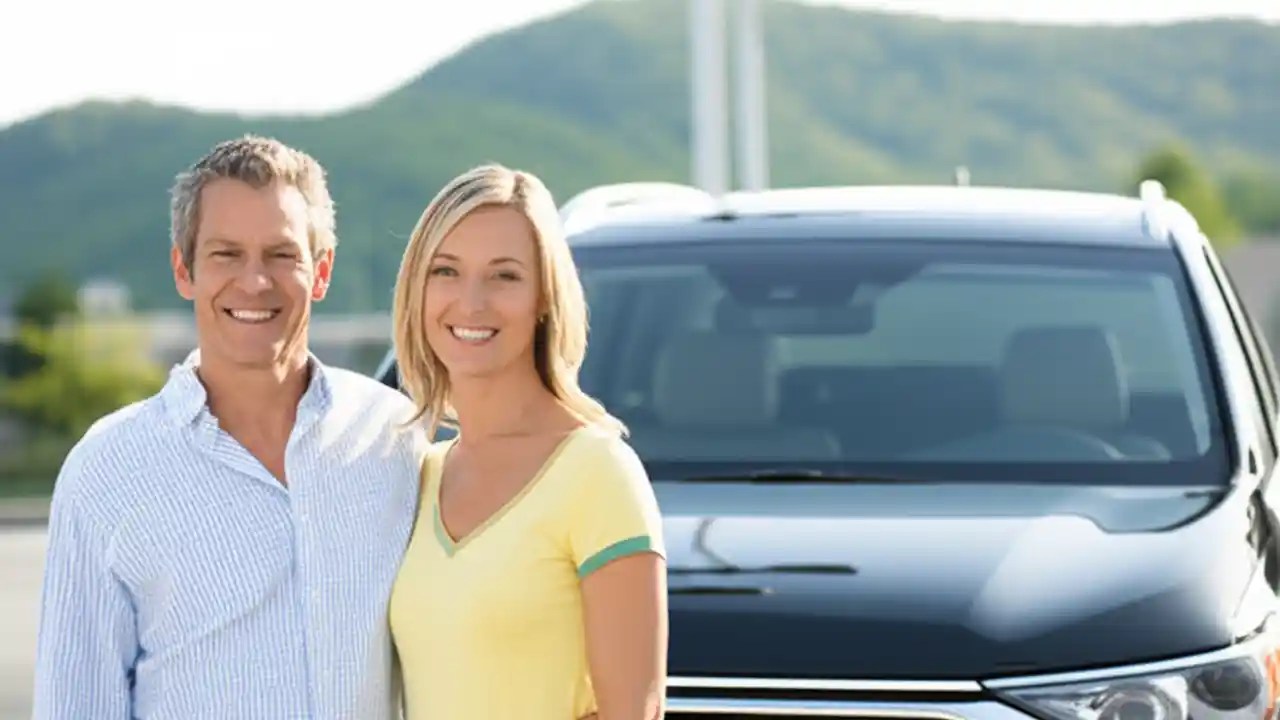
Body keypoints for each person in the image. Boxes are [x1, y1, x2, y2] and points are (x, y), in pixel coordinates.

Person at [30, 135, 425, 719]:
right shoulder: (107, 470)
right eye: (226, 254)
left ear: (320, 271)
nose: (254, 281)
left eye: (280, 254)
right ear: (183, 270)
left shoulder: (394, 436)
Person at [388, 164, 668, 720]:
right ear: (418, 291)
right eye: (446, 271)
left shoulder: (598, 472)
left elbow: (634, 713)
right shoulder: (418, 474)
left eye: (505, 276)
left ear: (545, 296)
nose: (472, 302)